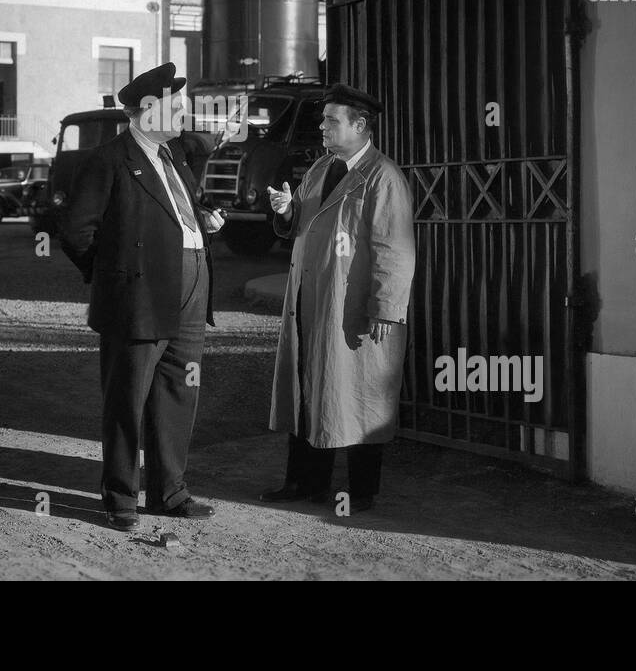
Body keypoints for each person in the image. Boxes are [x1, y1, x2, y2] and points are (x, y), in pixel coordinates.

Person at [61, 62, 226, 531]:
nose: (183, 116)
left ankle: (170, 492)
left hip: (192, 285)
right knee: (127, 398)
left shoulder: (173, 156)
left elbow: (176, 212)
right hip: (139, 294)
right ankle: (120, 498)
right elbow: (75, 229)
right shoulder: (109, 159)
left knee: (178, 391)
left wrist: (203, 224)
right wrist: (116, 276)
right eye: (176, 109)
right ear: (148, 110)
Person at [260, 83, 415, 513]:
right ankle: (304, 483)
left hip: (351, 307)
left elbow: (394, 248)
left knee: (359, 396)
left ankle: (361, 491)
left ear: (360, 125)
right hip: (312, 303)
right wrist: (287, 210)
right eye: (323, 118)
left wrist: (386, 306)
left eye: (331, 119)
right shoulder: (321, 168)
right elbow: (304, 226)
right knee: (309, 391)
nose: (322, 126)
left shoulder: (383, 177)